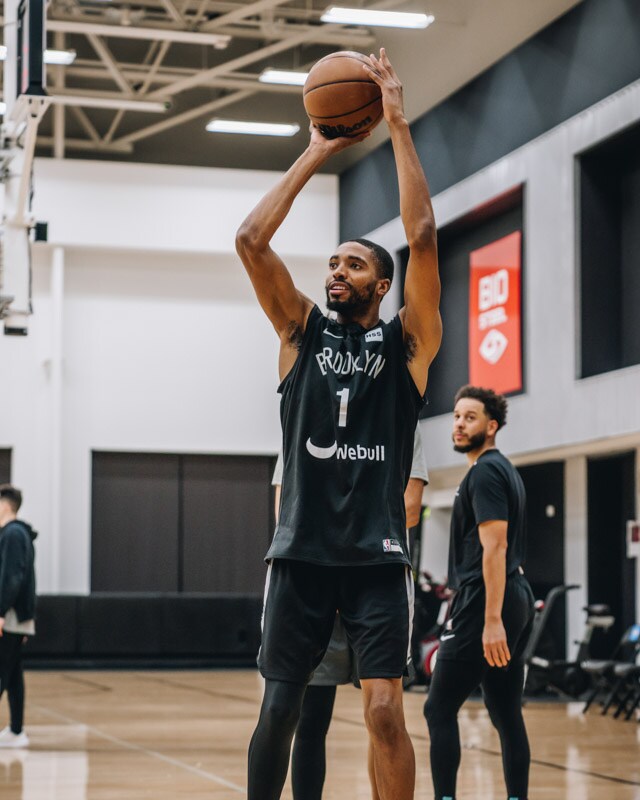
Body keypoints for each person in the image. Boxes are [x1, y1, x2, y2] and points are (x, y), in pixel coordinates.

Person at [236, 47, 441, 800]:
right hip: (302, 553)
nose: (336, 272)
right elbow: (251, 242)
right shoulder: (300, 334)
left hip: (378, 556)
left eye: (353, 265)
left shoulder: (408, 345)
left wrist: (395, 123)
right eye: (332, 262)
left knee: (385, 709)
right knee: (282, 705)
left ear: (382, 286)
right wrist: (316, 150)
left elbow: (422, 235)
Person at [272, 427, 429, 800]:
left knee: (383, 716)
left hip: (374, 580)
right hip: (316, 578)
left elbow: (410, 505)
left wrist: (350, 543)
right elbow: (285, 505)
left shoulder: (398, 414)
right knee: (310, 719)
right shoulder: (309, 411)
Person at [423, 386, 535, 800]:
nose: (458, 423)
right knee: (505, 711)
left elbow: (496, 546)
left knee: (438, 708)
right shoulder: (502, 470)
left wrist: (490, 620)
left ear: (491, 427)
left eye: (469, 417)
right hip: (514, 593)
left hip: (486, 599)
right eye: (455, 416)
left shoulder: (486, 472)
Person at [0, 485, 37, 749]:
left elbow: (11, 577)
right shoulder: (16, 533)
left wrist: (0, 611)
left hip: (9, 615)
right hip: (14, 615)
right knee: (12, 674)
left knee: (3, 671)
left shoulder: (13, 534)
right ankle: (16, 731)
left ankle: (16, 732)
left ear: (4, 505)